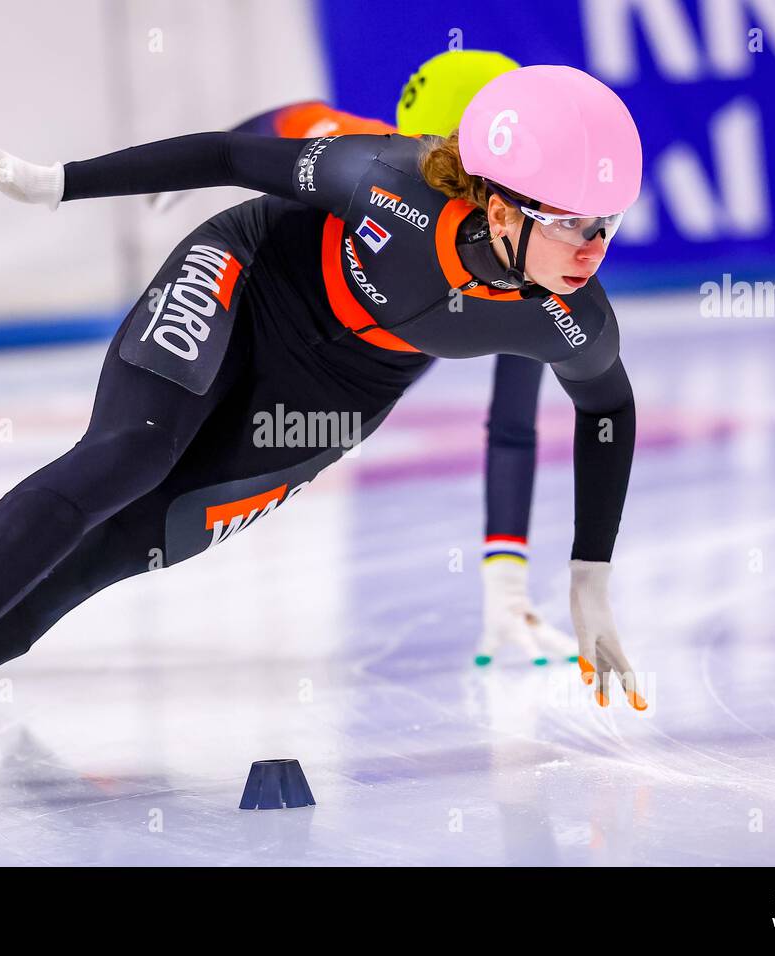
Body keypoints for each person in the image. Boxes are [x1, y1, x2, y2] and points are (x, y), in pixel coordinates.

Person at [0, 64, 648, 800]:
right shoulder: (386, 182)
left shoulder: (569, 315)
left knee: (114, 553)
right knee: (132, 455)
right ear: (497, 205)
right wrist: (56, 184)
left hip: (333, 389)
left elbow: (607, 408)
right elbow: (232, 154)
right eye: (575, 226)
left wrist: (589, 577)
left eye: (607, 227)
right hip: (244, 278)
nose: (594, 251)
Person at [214, 49, 573, 668]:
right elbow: (285, 122)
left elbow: (513, 420)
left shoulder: (529, 255)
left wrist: (506, 579)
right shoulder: (359, 154)